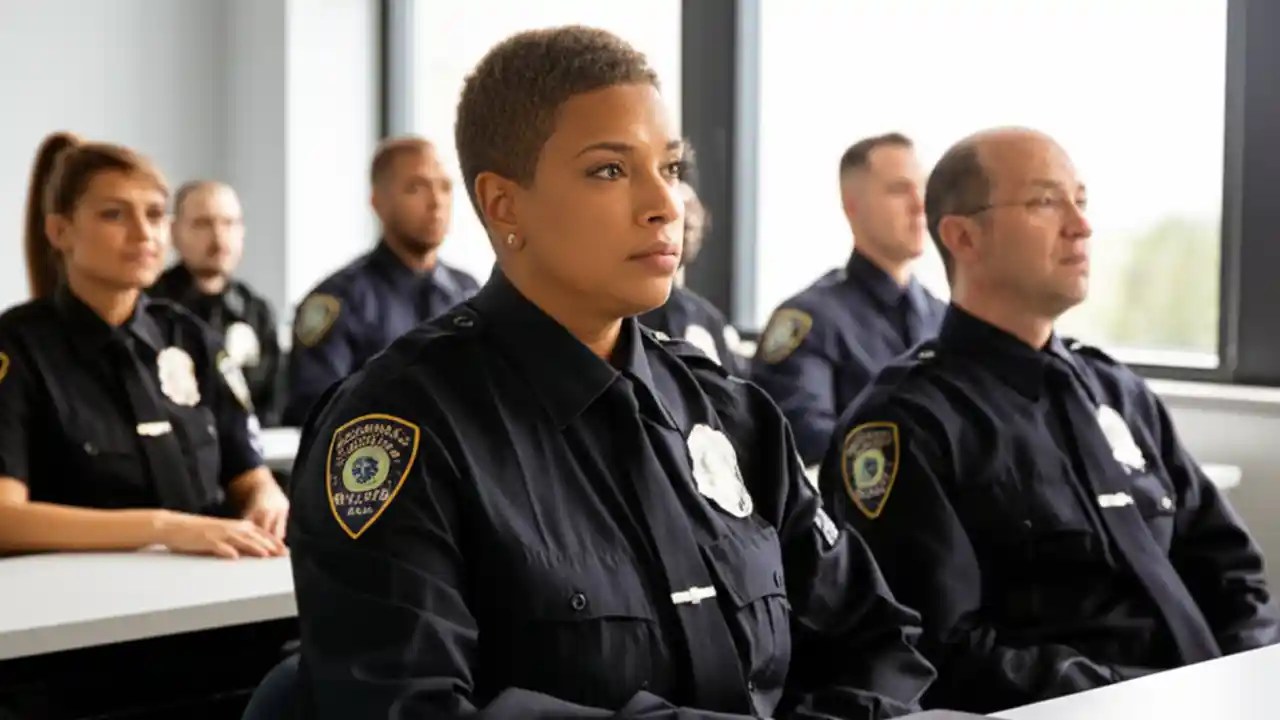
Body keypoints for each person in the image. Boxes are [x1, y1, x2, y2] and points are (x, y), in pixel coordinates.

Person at [288, 26, 935, 719]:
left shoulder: (727, 412)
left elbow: (881, 644)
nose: (666, 207)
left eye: (672, 168)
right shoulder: (405, 429)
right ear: (506, 205)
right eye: (610, 170)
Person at [819, 127, 1280, 713]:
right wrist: (1140, 698)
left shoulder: (1115, 390)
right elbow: (937, 647)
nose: (1080, 226)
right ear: (963, 236)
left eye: (1080, 201)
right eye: (1044, 202)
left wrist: (1249, 671)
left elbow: (1231, 570)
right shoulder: (907, 426)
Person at [0, 132, 289, 557]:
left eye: (155, 215)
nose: (143, 234)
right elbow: (6, 520)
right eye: (114, 215)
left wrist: (266, 498)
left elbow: (247, 468)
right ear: (60, 231)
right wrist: (162, 528)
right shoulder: (20, 348)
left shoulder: (189, 337)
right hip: (90, 603)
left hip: (214, 586)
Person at [752, 134, 945, 468]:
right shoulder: (809, 320)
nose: (919, 205)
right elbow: (803, 438)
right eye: (899, 189)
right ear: (852, 204)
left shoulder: (944, 319)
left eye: (923, 188)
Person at [282, 136, 480, 426]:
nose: (436, 201)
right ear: (378, 202)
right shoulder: (340, 300)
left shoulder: (468, 292)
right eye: (416, 188)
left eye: (445, 187)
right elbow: (317, 405)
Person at [149, 180, 284, 426]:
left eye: (229, 223)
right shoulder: (149, 308)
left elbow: (272, 404)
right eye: (203, 224)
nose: (219, 237)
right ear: (173, 231)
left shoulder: (257, 312)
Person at [640, 176, 748, 375]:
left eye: (691, 207)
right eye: (677, 205)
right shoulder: (625, 308)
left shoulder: (708, 318)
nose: (687, 218)